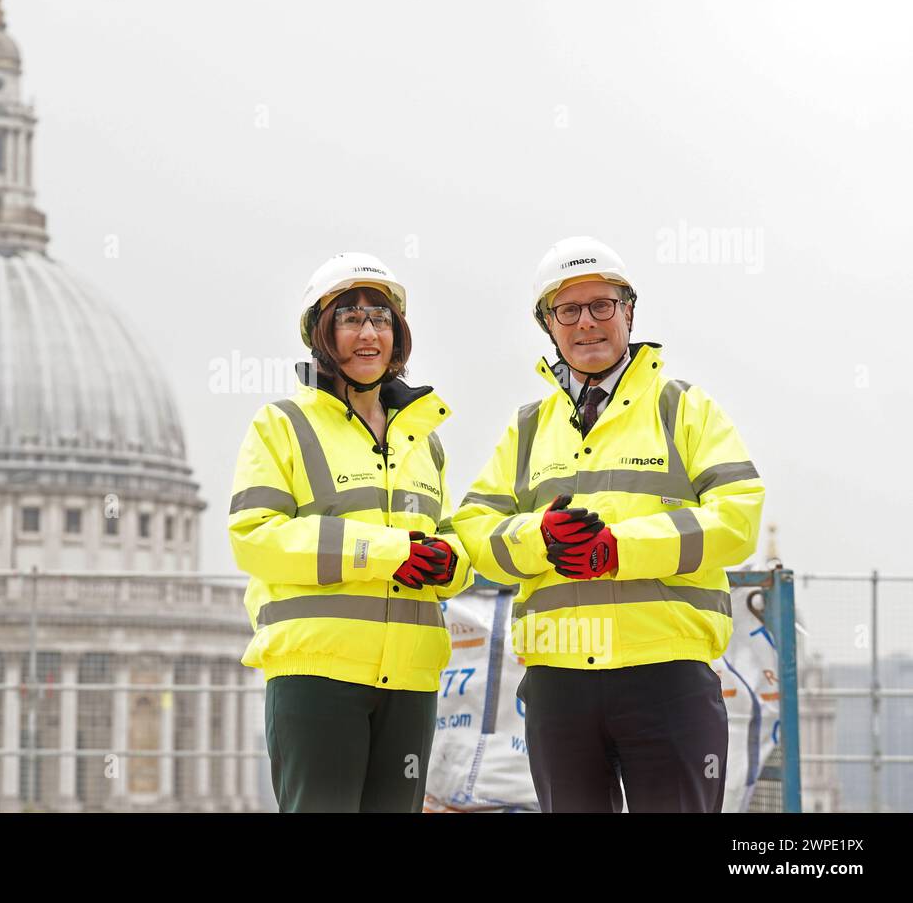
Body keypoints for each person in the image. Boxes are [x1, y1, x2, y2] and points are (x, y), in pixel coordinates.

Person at [446, 236, 765, 812]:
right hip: (559, 681)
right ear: (548, 324)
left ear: (628, 311)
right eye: (569, 310)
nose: (586, 322)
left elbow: (737, 519)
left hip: (666, 673)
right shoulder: (526, 429)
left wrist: (618, 550)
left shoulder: (684, 409)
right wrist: (538, 538)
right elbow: (473, 530)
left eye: (601, 305)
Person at [228, 252, 473, 812]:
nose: (368, 334)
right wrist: (388, 553)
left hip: (409, 676)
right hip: (319, 675)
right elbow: (255, 536)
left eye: (381, 319)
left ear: (398, 335)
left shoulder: (425, 440)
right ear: (322, 334)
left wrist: (449, 562)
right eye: (350, 318)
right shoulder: (281, 426)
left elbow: (448, 535)